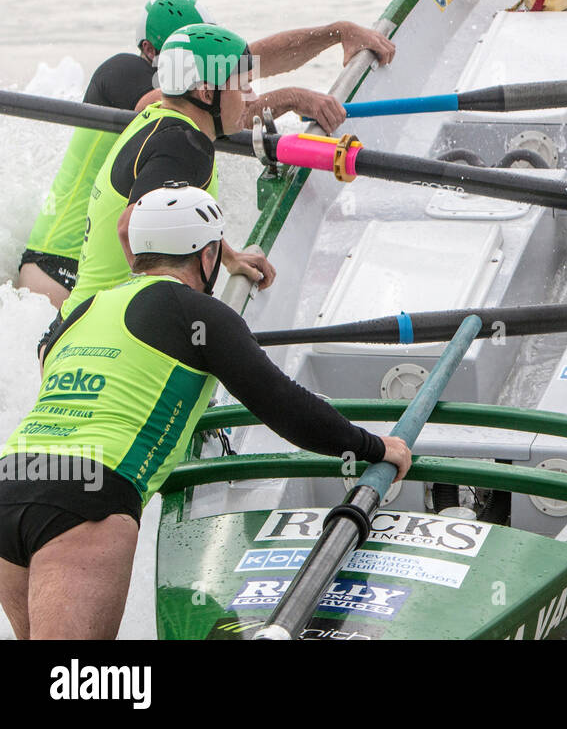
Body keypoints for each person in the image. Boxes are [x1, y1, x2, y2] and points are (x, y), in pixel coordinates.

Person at [0, 184, 411, 639]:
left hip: (10, 481)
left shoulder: (81, 311)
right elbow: (282, 403)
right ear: (209, 255)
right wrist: (372, 445)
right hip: (87, 495)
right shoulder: (197, 313)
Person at [17, 0, 395, 307]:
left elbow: (248, 63)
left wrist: (337, 33)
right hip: (57, 268)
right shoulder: (123, 77)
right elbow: (222, 113)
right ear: (153, 52)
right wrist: (289, 98)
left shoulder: (188, 90)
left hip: (95, 271)